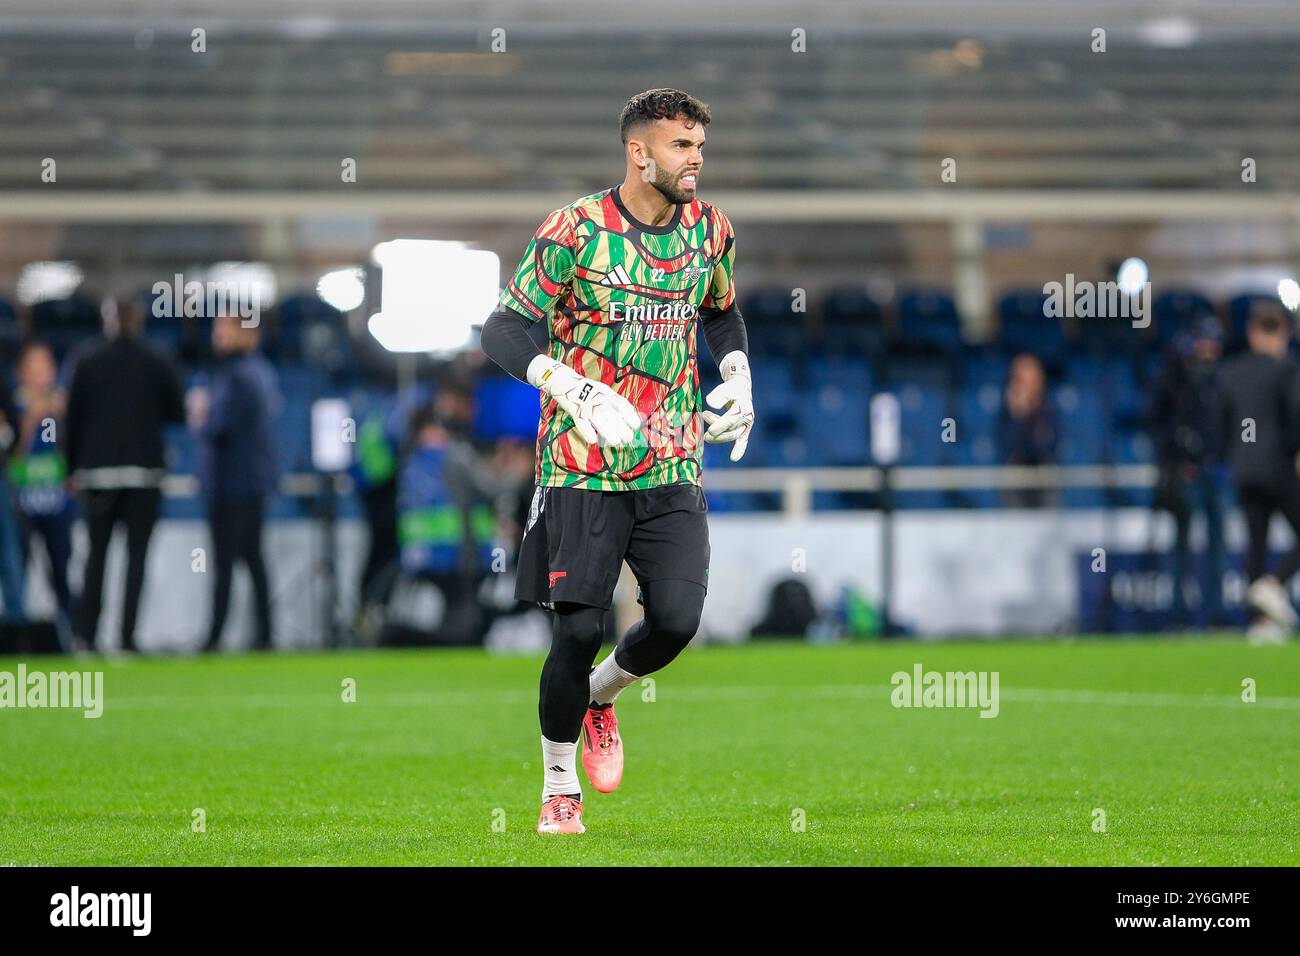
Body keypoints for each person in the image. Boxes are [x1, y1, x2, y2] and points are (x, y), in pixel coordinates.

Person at [480, 88, 754, 834]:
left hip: (671, 461)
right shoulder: (574, 229)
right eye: (680, 147)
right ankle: (558, 787)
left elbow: (721, 310)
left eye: (699, 146)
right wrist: (565, 384)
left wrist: (735, 370)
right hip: (581, 465)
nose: (695, 160)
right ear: (639, 152)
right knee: (574, 632)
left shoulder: (711, 230)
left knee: (675, 620)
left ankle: (602, 695)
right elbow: (503, 328)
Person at [64, 297, 186, 653]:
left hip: (98, 477)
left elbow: (71, 421)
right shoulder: (159, 359)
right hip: (143, 476)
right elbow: (177, 413)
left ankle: (87, 637)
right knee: (135, 560)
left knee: (96, 558)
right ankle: (126, 638)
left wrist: (71, 470)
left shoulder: (85, 360)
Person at [189, 314, 280, 652]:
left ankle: (215, 638)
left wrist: (199, 415)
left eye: (225, 329)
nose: (219, 335)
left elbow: (217, 427)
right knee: (253, 560)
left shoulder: (236, 376)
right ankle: (264, 634)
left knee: (228, 563)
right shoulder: (259, 372)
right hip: (250, 482)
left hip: (232, 485)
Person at [1217, 309, 1300, 640]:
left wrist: (1234, 456)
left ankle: (1259, 623)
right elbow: (1296, 414)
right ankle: (1274, 583)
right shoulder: (1286, 368)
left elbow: (1220, 422)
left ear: (1253, 332)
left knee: (1256, 542)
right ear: (1283, 332)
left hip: (1244, 469)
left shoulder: (1232, 371)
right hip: (1277, 465)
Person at [1147, 317, 1227, 627]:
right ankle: (1178, 613)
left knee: (1217, 545)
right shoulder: (1174, 379)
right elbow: (1156, 423)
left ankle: (1217, 612)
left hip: (1214, 470)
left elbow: (1231, 424)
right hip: (1183, 472)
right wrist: (1176, 458)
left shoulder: (1220, 380)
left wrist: (1222, 456)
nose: (1209, 350)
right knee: (1180, 544)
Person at [7, 340, 76, 644]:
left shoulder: (64, 407)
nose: (40, 374)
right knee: (17, 569)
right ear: (21, 372)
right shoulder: (13, 406)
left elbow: (73, 452)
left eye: (45, 366)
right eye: (33, 367)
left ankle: (69, 634)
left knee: (61, 572)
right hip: (22, 504)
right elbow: (12, 454)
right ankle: (16, 633)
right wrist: (30, 419)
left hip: (57, 505)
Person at [999, 353, 1058, 508]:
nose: (1025, 384)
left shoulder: (1051, 408)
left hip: (1044, 471)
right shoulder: (1006, 411)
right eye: (1019, 379)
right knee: (1013, 473)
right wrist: (1018, 416)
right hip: (1017, 469)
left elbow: (1048, 446)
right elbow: (1008, 446)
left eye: (1029, 378)